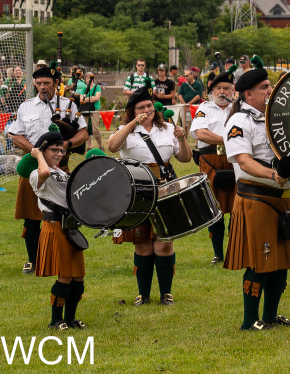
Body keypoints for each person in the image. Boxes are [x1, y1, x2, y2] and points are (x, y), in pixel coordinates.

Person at [223, 57, 290, 330]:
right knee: (259, 262)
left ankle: (270, 316)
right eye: (265, 87)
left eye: (270, 85)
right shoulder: (239, 122)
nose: (271, 90)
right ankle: (249, 321)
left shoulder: (274, 118)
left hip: (281, 199)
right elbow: (243, 161)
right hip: (256, 198)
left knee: (280, 263)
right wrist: (274, 175)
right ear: (248, 94)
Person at [106, 86, 192, 305]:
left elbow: (184, 158)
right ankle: (143, 294)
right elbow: (112, 146)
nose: (146, 110)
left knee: (164, 242)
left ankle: (166, 293)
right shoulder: (126, 129)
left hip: (164, 188)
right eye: (140, 107)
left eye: (149, 106)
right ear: (132, 111)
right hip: (137, 189)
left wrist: (182, 139)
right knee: (142, 243)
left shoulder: (166, 129)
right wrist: (133, 124)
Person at [7, 64, 87, 274]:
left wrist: (66, 146)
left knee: (62, 212)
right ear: (35, 84)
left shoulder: (68, 105)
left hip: (61, 165)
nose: (43, 87)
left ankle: (62, 256)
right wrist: (37, 151)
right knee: (31, 216)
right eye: (39, 83)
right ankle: (33, 260)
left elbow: (84, 133)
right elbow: (15, 135)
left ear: (56, 84)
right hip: (34, 165)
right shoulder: (26, 107)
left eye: (47, 84)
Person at [26, 131, 88, 330]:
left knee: (78, 276)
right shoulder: (36, 174)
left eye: (61, 150)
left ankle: (70, 319)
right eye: (54, 150)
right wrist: (36, 155)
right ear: (42, 150)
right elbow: (44, 173)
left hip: (70, 228)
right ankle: (56, 321)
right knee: (65, 276)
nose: (59, 154)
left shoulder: (62, 173)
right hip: (53, 226)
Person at [190, 66, 238, 264]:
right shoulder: (204, 108)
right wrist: (228, 140)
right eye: (218, 88)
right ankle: (218, 254)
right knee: (214, 209)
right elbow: (201, 134)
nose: (222, 92)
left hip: (236, 161)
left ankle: (236, 251)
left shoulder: (240, 108)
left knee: (238, 208)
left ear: (233, 90)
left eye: (226, 88)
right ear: (212, 91)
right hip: (211, 162)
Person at [73, 71, 104, 150]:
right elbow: (81, 100)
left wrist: (86, 99)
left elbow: (97, 98)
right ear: (85, 79)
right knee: (87, 129)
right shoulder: (83, 89)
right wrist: (91, 98)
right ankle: (89, 147)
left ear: (93, 79)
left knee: (95, 129)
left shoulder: (97, 87)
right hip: (85, 110)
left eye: (90, 78)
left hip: (94, 109)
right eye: (87, 78)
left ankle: (100, 145)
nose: (88, 79)